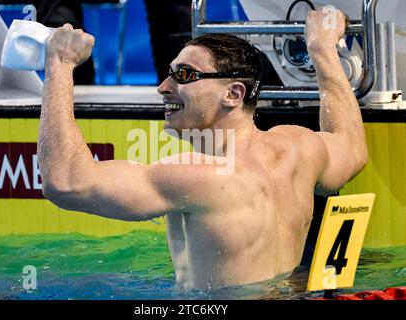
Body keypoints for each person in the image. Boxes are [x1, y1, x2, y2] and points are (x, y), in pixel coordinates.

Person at [37, 7, 368, 289]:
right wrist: (322, 48)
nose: (163, 88)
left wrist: (60, 65)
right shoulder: (299, 148)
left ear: (233, 94)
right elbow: (352, 148)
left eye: (183, 75)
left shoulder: (195, 175)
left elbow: (65, 182)